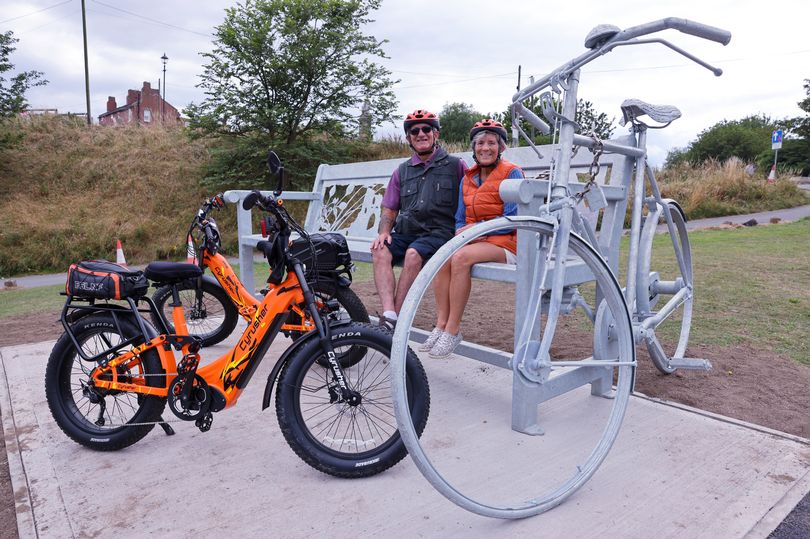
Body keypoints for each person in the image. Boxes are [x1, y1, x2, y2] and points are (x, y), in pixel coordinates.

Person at [421, 119, 524, 358]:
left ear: (501, 147)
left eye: (491, 143)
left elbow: (513, 218)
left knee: (460, 258)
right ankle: (441, 325)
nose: (485, 148)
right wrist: (464, 232)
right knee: (442, 256)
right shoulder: (468, 178)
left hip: (509, 242)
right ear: (474, 148)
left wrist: (476, 230)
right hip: (479, 240)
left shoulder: (512, 172)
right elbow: (460, 218)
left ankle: (453, 330)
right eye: (480, 143)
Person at [371, 109, 467, 327]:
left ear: (436, 134)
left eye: (426, 129)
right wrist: (384, 232)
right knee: (379, 249)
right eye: (415, 131)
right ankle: (390, 314)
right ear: (408, 138)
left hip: (439, 233)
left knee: (413, 254)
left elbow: (470, 199)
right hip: (407, 232)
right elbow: (389, 208)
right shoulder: (401, 171)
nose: (421, 134)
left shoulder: (456, 165)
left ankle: (395, 322)